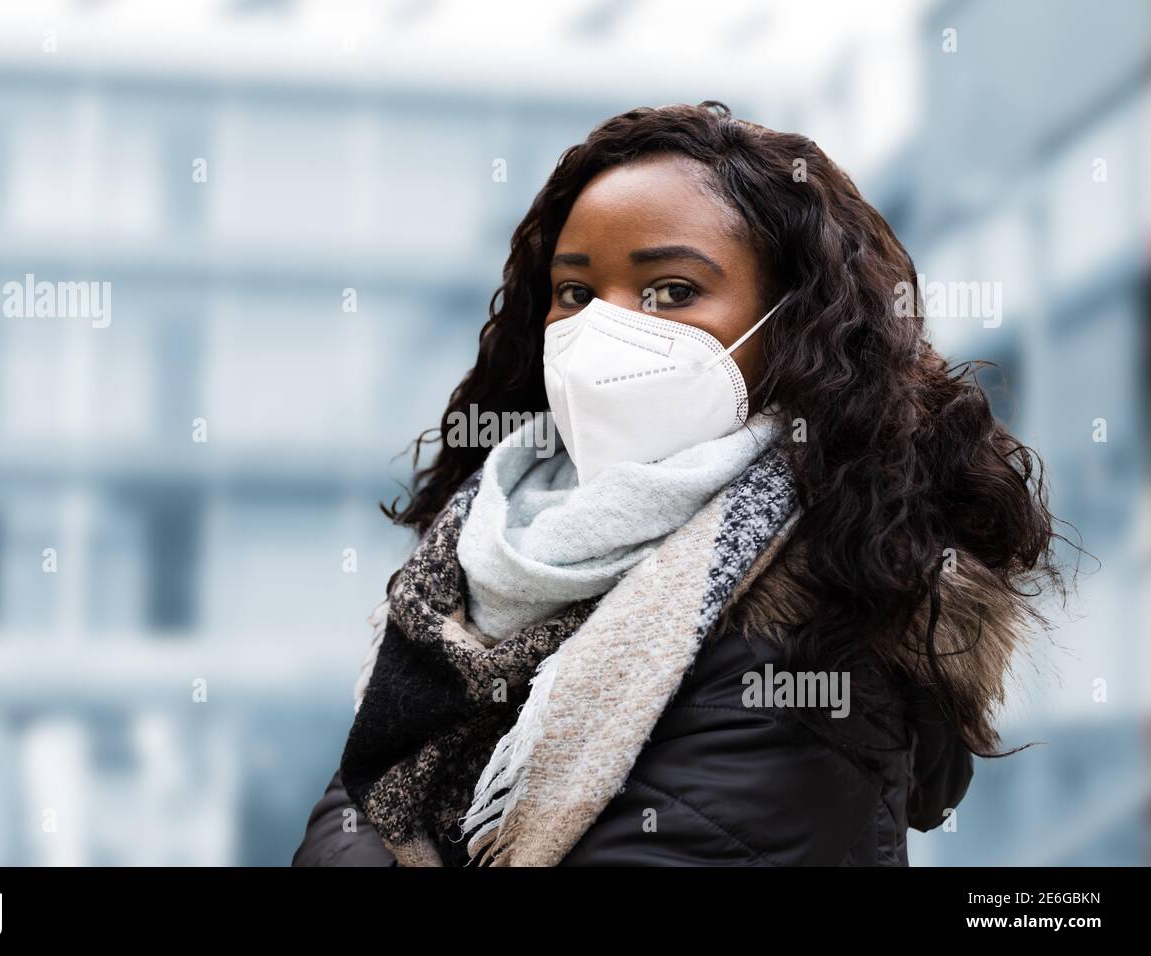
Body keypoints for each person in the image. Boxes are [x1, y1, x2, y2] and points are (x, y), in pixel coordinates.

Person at [291, 100, 1072, 867]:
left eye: (670, 290)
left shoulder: (810, 626)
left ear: (796, 325)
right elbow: (359, 801)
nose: (600, 329)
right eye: (575, 293)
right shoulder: (474, 558)